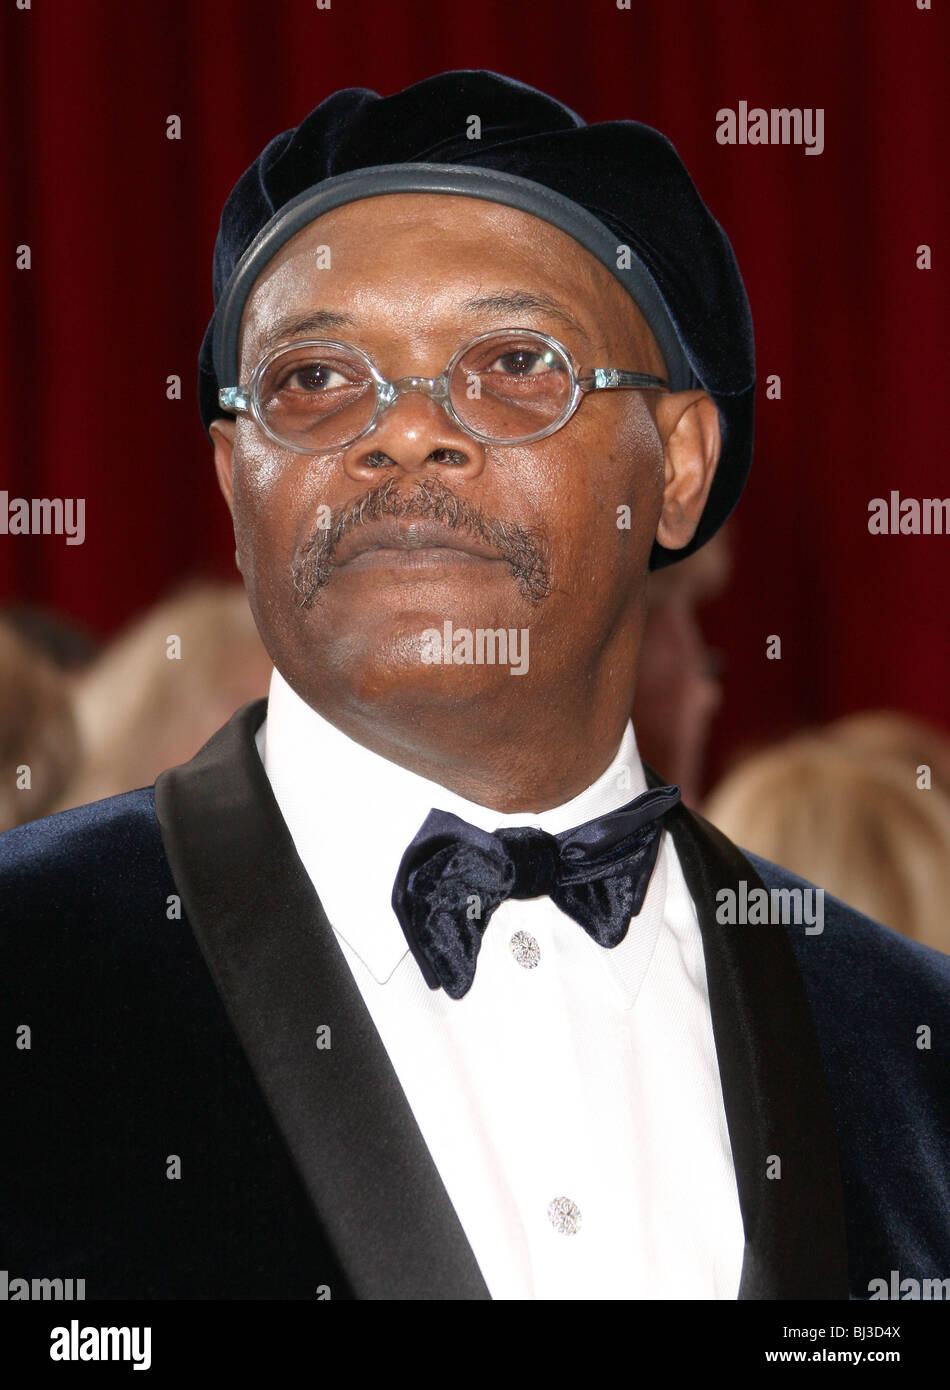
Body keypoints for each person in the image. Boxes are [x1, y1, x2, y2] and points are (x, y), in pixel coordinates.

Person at [1, 70, 948, 1302]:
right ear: (235, 482)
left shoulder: (901, 1046)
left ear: (676, 464)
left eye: (511, 361)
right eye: (314, 379)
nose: (401, 432)